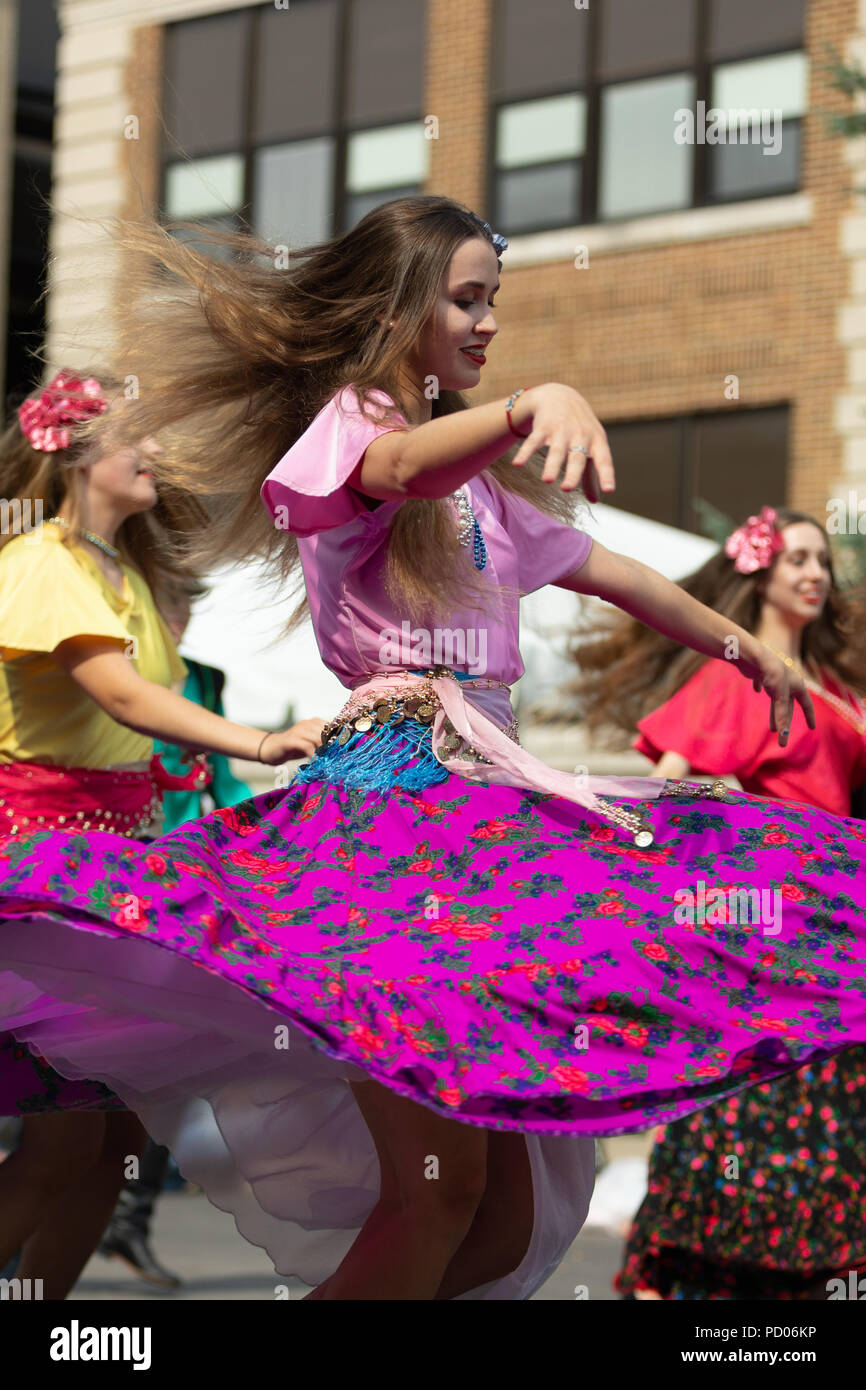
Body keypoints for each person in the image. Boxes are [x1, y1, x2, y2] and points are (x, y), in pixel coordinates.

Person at [0, 197, 864, 1303]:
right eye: (466, 298)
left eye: (491, 299)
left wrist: (741, 641)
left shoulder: (488, 501)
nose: (488, 320)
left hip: (488, 817)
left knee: (497, 1231)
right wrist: (525, 406)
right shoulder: (354, 430)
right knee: (436, 1198)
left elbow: (610, 572)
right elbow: (400, 465)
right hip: (389, 826)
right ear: (398, 307)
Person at [0, 368, 321, 1298]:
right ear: (77, 450)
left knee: (113, 1141)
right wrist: (262, 741)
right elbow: (124, 695)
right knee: (67, 1136)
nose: (158, 454)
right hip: (39, 865)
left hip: (111, 866)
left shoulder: (123, 571)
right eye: (138, 435)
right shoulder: (40, 562)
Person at [567, 504, 866, 1300]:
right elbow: (669, 789)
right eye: (796, 558)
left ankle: (803, 1282)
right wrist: (746, 831)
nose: (813, 573)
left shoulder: (838, 688)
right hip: (770, 932)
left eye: (821, 563)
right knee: (752, 1104)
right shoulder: (742, 678)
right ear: (760, 572)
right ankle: (707, 1277)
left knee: (831, 1114)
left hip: (838, 932)